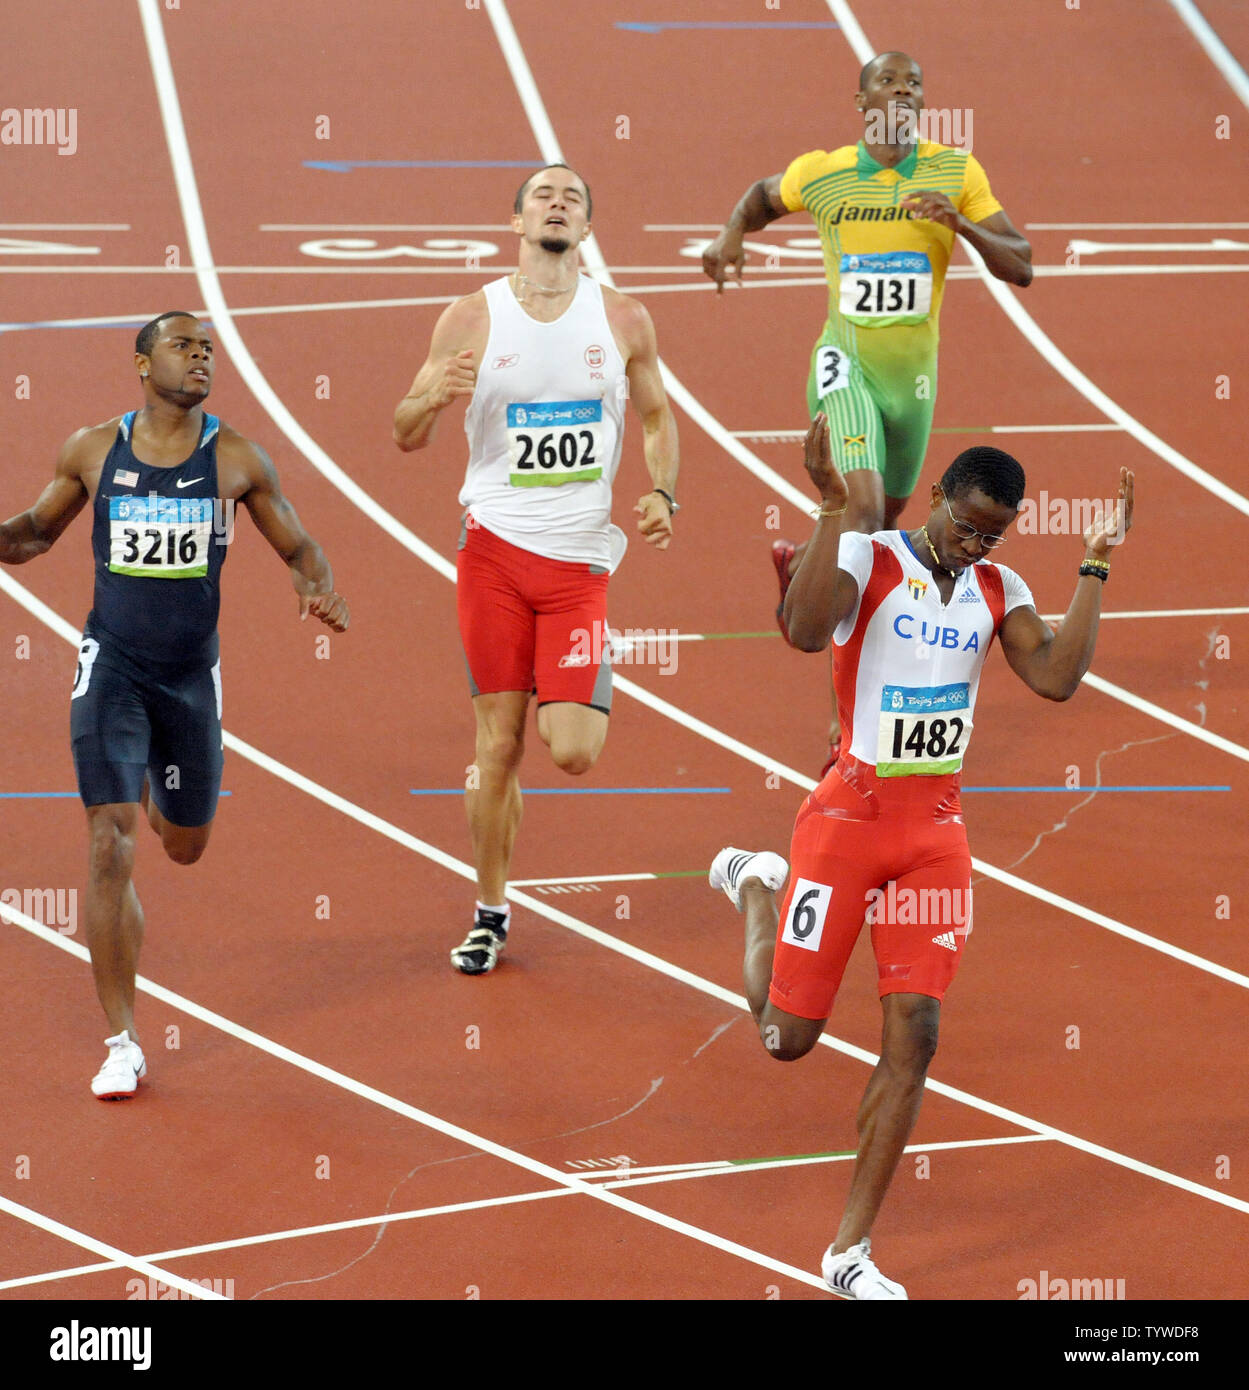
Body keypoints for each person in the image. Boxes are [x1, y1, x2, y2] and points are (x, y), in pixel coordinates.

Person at [710, 412, 1133, 1299]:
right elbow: (798, 629)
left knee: (917, 1035)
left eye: (992, 532)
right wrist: (831, 508)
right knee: (787, 1041)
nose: (973, 542)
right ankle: (758, 888)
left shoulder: (996, 588)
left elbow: (1055, 676)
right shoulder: (871, 558)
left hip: (933, 835)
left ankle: (848, 1253)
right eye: (964, 522)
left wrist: (1093, 563)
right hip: (845, 822)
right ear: (936, 494)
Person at [0, 311, 349, 1098]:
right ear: (140, 362)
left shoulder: (236, 459)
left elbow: (299, 547)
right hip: (112, 668)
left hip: (190, 679)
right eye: (182, 345)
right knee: (109, 840)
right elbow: (29, 536)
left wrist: (317, 589)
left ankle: (163, 786)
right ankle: (122, 1038)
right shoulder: (93, 449)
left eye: (207, 349)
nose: (199, 357)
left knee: (183, 845)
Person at [702, 51, 1032, 772]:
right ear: (861, 101)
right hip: (842, 367)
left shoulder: (955, 172)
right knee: (858, 509)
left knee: (879, 540)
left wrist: (961, 225)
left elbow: (1022, 263)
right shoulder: (822, 173)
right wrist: (730, 234)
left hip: (911, 389)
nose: (904, 91)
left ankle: (808, 567)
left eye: (915, 83)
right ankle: (836, 721)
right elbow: (761, 196)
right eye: (889, 81)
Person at [393, 164, 679, 976]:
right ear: (515, 218)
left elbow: (657, 416)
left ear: (586, 228)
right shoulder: (469, 317)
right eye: (544, 195)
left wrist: (663, 491)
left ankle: (574, 679)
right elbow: (403, 430)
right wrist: (435, 400)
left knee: (574, 751)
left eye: (574, 198)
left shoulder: (621, 318)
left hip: (579, 565)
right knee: (501, 745)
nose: (558, 204)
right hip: (491, 555)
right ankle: (490, 909)